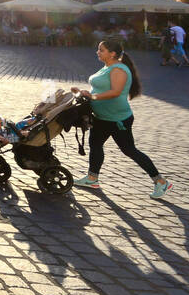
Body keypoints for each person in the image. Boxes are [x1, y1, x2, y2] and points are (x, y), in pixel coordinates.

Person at [70, 38, 171, 199]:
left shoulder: (119, 69)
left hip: (117, 119)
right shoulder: (107, 67)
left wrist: (93, 97)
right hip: (102, 117)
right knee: (95, 144)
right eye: (98, 49)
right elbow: (99, 87)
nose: (98, 52)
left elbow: (115, 92)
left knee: (129, 150)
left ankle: (160, 181)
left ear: (112, 54)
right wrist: (84, 93)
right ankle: (92, 178)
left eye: (101, 50)